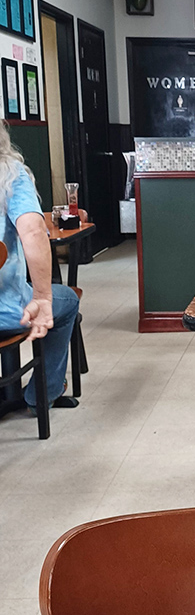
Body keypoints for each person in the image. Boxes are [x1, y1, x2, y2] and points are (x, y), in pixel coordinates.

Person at [0, 120, 79, 411]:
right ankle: (41, 394)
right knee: (67, 300)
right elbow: (33, 231)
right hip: (10, 310)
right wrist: (42, 297)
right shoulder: (10, 175)